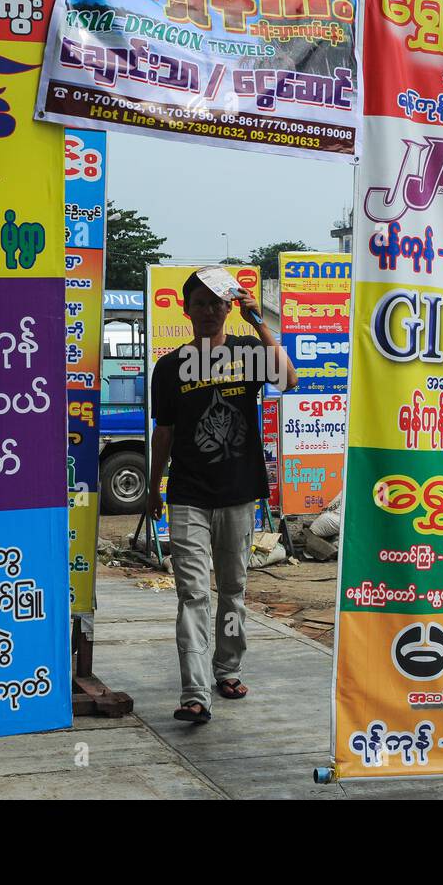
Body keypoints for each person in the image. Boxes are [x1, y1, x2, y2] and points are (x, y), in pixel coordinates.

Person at [148, 271, 298, 723]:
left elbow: (288, 379)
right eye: (200, 303)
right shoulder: (170, 367)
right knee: (193, 593)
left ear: (229, 307)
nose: (209, 310)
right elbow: (165, 432)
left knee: (233, 591)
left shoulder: (249, 352)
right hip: (188, 494)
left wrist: (259, 322)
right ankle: (195, 692)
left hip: (238, 492)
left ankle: (227, 667)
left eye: (217, 303)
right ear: (185, 308)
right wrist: (153, 487)